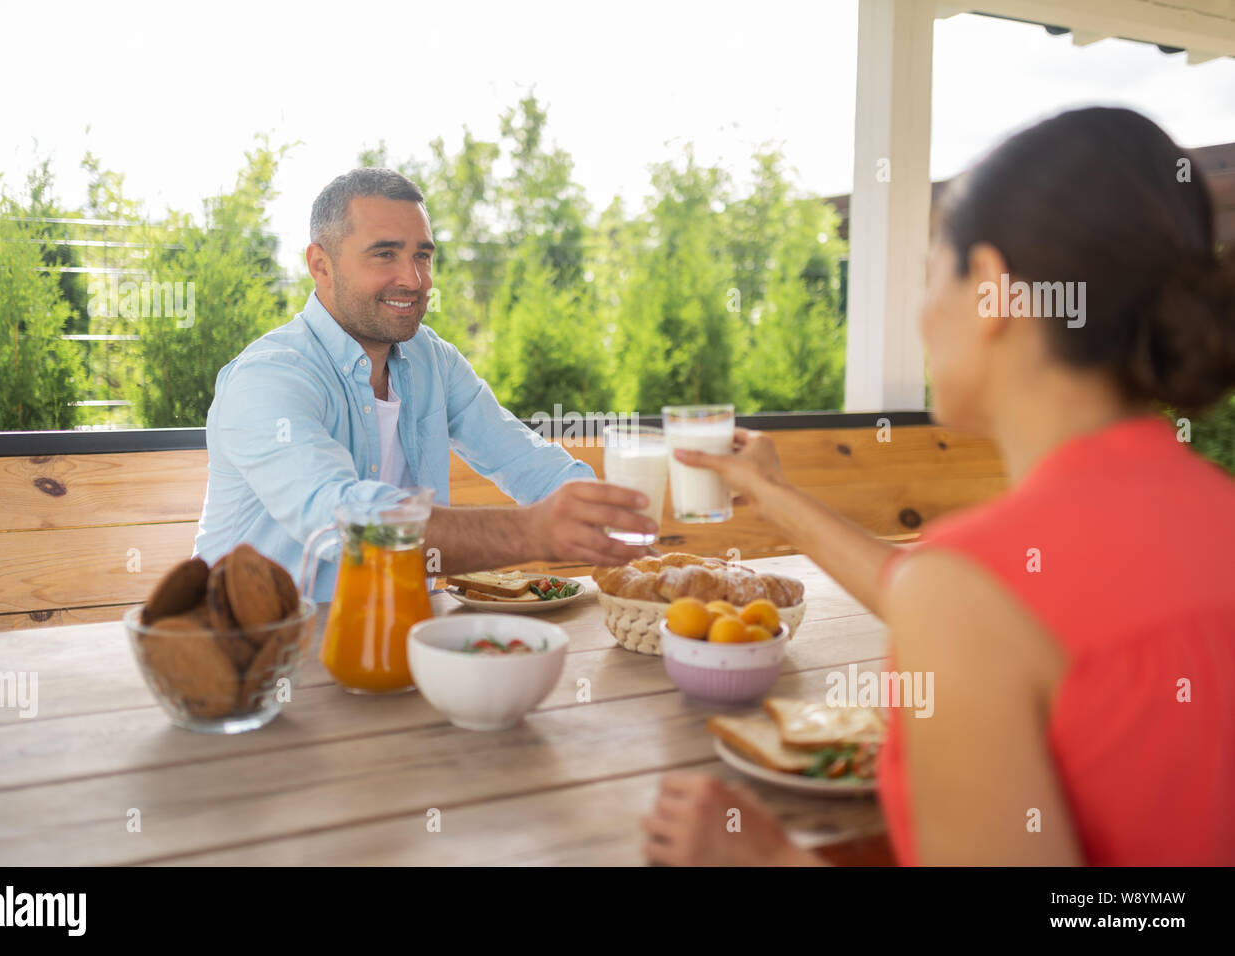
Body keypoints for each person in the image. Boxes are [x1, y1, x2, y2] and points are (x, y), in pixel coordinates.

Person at [642, 107, 1235, 866]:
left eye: (930, 272)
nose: (923, 315)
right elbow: (973, 606)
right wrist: (776, 495)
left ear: (990, 289)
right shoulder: (1206, 516)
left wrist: (771, 862)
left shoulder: (976, 586)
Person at [194, 168, 655, 599]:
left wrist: (621, 529)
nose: (413, 279)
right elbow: (348, 523)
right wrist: (531, 532)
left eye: (423, 256)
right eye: (385, 254)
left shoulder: (431, 360)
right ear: (321, 265)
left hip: (409, 636)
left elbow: (528, 462)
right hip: (264, 659)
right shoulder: (269, 377)